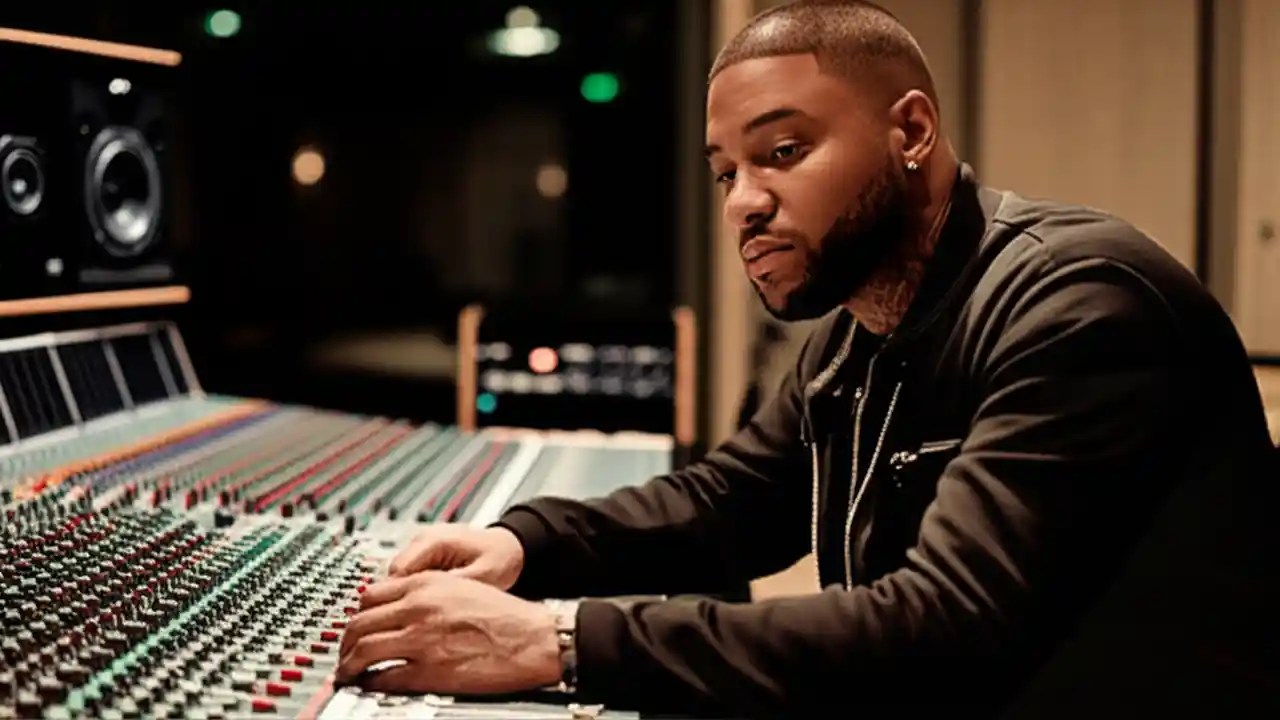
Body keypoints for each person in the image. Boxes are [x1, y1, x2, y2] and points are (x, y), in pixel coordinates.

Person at [335, 1, 1276, 716]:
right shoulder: (858, 330)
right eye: (725, 173)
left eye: (783, 151)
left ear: (910, 133)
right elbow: (733, 500)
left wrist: (562, 639)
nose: (743, 201)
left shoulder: (1079, 304)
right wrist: (524, 545)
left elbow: (946, 624)